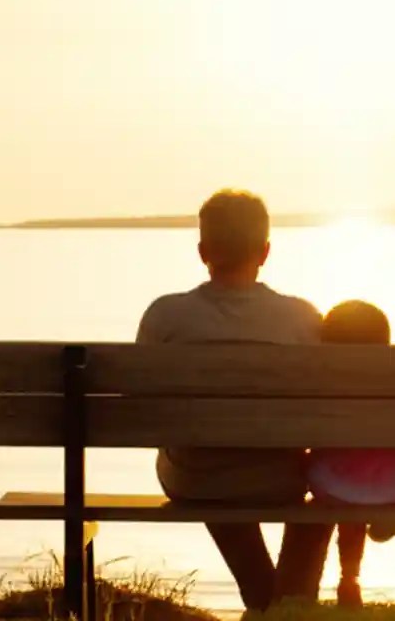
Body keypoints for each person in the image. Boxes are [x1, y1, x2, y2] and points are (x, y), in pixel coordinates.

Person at [135, 189, 322, 613]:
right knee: (317, 506)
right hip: (280, 479)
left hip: (194, 478)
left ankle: (270, 603)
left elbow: (141, 407)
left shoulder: (165, 316)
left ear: (202, 252)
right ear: (266, 252)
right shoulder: (302, 318)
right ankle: (284, 604)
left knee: (213, 467)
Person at [281, 301, 395, 608]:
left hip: (332, 484)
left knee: (339, 484)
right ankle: (349, 578)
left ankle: (301, 596)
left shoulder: (321, 378)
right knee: (360, 477)